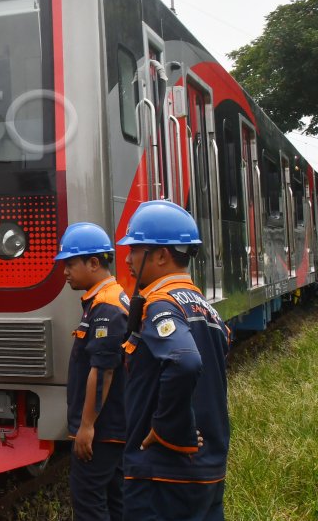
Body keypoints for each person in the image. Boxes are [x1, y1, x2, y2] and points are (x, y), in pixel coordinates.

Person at [119, 200, 230, 521]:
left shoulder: (161, 305)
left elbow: (184, 362)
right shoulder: (205, 307)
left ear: (161, 255)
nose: (127, 259)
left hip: (163, 473)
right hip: (208, 467)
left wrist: (170, 430)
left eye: (135, 250)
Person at [56, 222, 128, 521]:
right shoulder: (107, 300)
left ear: (94, 263)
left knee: (89, 501)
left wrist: (86, 427)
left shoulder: (107, 307)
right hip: (111, 428)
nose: (65, 272)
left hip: (102, 431)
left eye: (70, 263)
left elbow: (103, 371)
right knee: (114, 500)